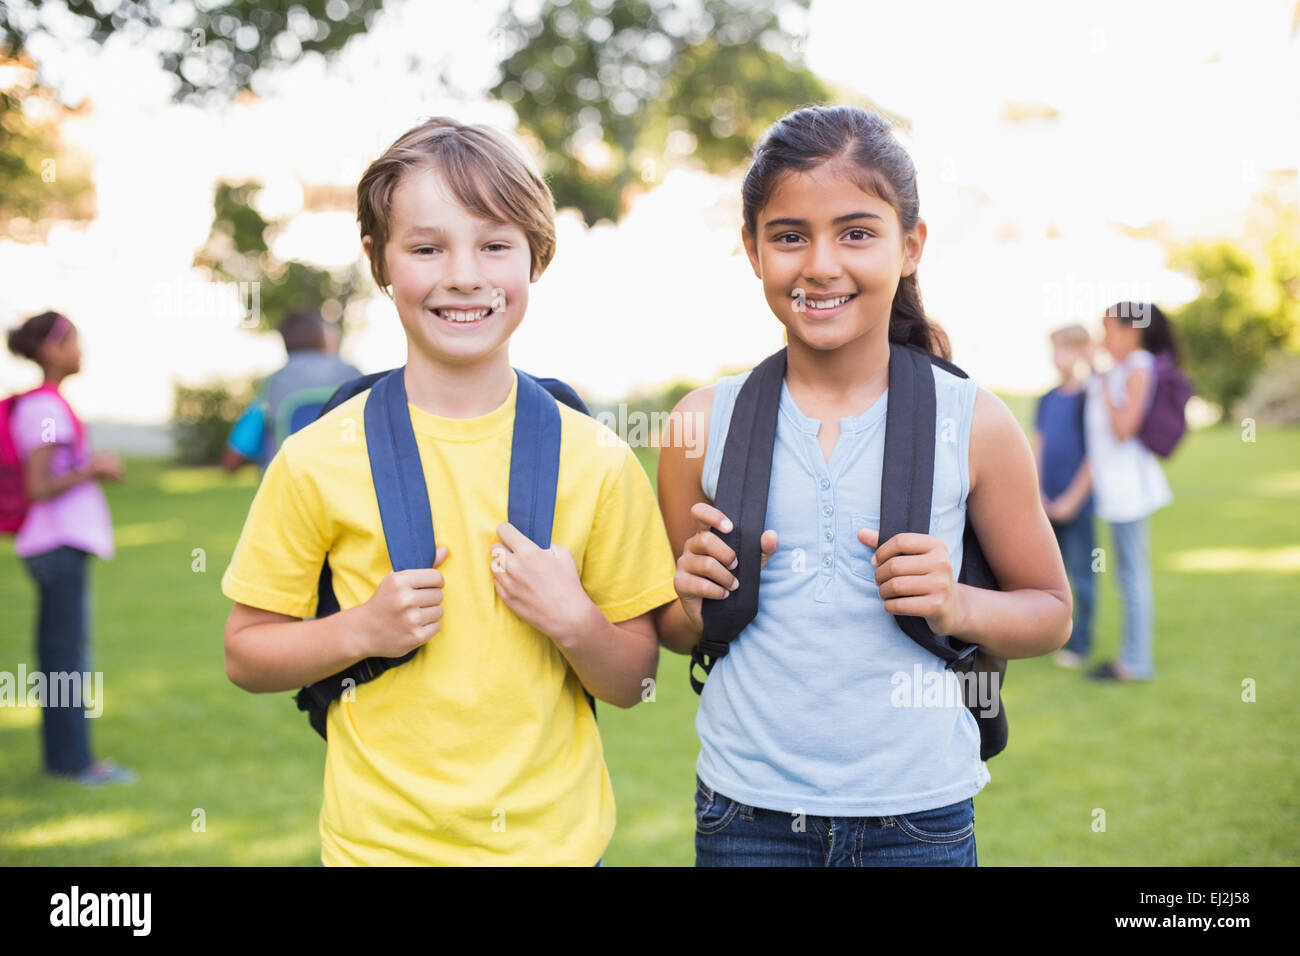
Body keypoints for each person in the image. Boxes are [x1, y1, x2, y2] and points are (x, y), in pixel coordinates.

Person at [220, 117, 679, 866]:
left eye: (494, 245)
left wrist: (576, 621)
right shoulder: (314, 461)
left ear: (535, 257)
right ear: (380, 261)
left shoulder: (596, 460)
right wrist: (358, 631)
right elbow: (246, 654)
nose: (464, 275)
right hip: (377, 852)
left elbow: (634, 680)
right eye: (428, 248)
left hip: (556, 850)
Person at [653, 105, 1073, 866]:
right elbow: (677, 631)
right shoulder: (698, 423)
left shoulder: (973, 422)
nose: (820, 264)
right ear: (751, 250)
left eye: (856, 232)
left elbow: (1051, 613)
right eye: (788, 236)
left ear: (909, 245)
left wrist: (956, 604)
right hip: (746, 815)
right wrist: (687, 600)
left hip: (918, 817)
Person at [5, 311, 136, 786]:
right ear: (49, 351)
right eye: (72, 342)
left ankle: (67, 760)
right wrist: (94, 469)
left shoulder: (45, 405)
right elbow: (39, 485)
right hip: (56, 545)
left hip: (58, 547)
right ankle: (76, 764)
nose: (79, 350)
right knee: (66, 659)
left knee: (61, 656)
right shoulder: (45, 410)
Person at [1081, 302, 1175, 682]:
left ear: (1131, 331)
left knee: (1132, 575)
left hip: (1130, 490)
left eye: (1110, 330)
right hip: (1118, 488)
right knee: (1126, 573)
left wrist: (1102, 377)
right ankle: (1132, 657)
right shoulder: (1124, 367)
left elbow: (1123, 427)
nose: (1104, 339)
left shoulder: (1137, 366)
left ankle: (1135, 662)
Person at [221, 312, 360, 473]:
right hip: (345, 478)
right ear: (323, 339)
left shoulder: (275, 382)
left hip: (288, 483)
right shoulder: (352, 373)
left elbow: (233, 458)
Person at [1033, 324, 1097, 668]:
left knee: (1082, 575)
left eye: (1066, 350)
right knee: (1044, 575)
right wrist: (1038, 493)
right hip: (1045, 503)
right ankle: (1045, 635)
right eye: (1054, 350)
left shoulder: (1090, 399)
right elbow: (1038, 447)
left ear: (1083, 351)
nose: (1059, 358)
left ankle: (1080, 643)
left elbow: (1094, 456)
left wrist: (1072, 500)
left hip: (1079, 506)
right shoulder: (1047, 399)